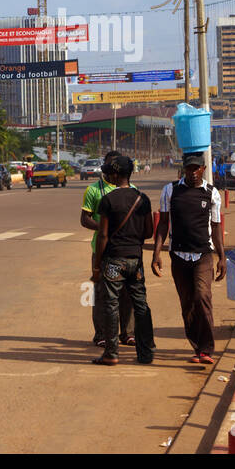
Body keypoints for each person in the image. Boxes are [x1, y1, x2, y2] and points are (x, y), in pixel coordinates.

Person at [153, 151, 226, 365]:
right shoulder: (170, 191)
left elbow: (216, 227)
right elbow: (163, 223)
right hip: (178, 255)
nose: (192, 173)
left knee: (202, 297)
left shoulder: (211, 193)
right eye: (189, 168)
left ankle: (206, 348)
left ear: (203, 169)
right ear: (183, 169)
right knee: (187, 304)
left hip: (203, 255)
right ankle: (197, 346)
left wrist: (222, 256)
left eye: (196, 168)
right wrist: (157, 253)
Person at [92, 154, 155, 365]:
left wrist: (97, 266)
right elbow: (148, 232)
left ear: (115, 174)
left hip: (113, 260)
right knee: (141, 304)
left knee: (110, 304)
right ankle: (145, 352)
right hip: (135, 260)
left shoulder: (108, 200)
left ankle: (111, 353)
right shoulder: (142, 198)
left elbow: (103, 235)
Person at [82, 149, 133, 348]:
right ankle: (101, 334)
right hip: (102, 250)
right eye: (110, 166)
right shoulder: (93, 190)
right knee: (101, 293)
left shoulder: (132, 190)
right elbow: (84, 219)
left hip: (125, 250)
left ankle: (127, 333)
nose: (112, 170)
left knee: (126, 293)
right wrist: (103, 227)